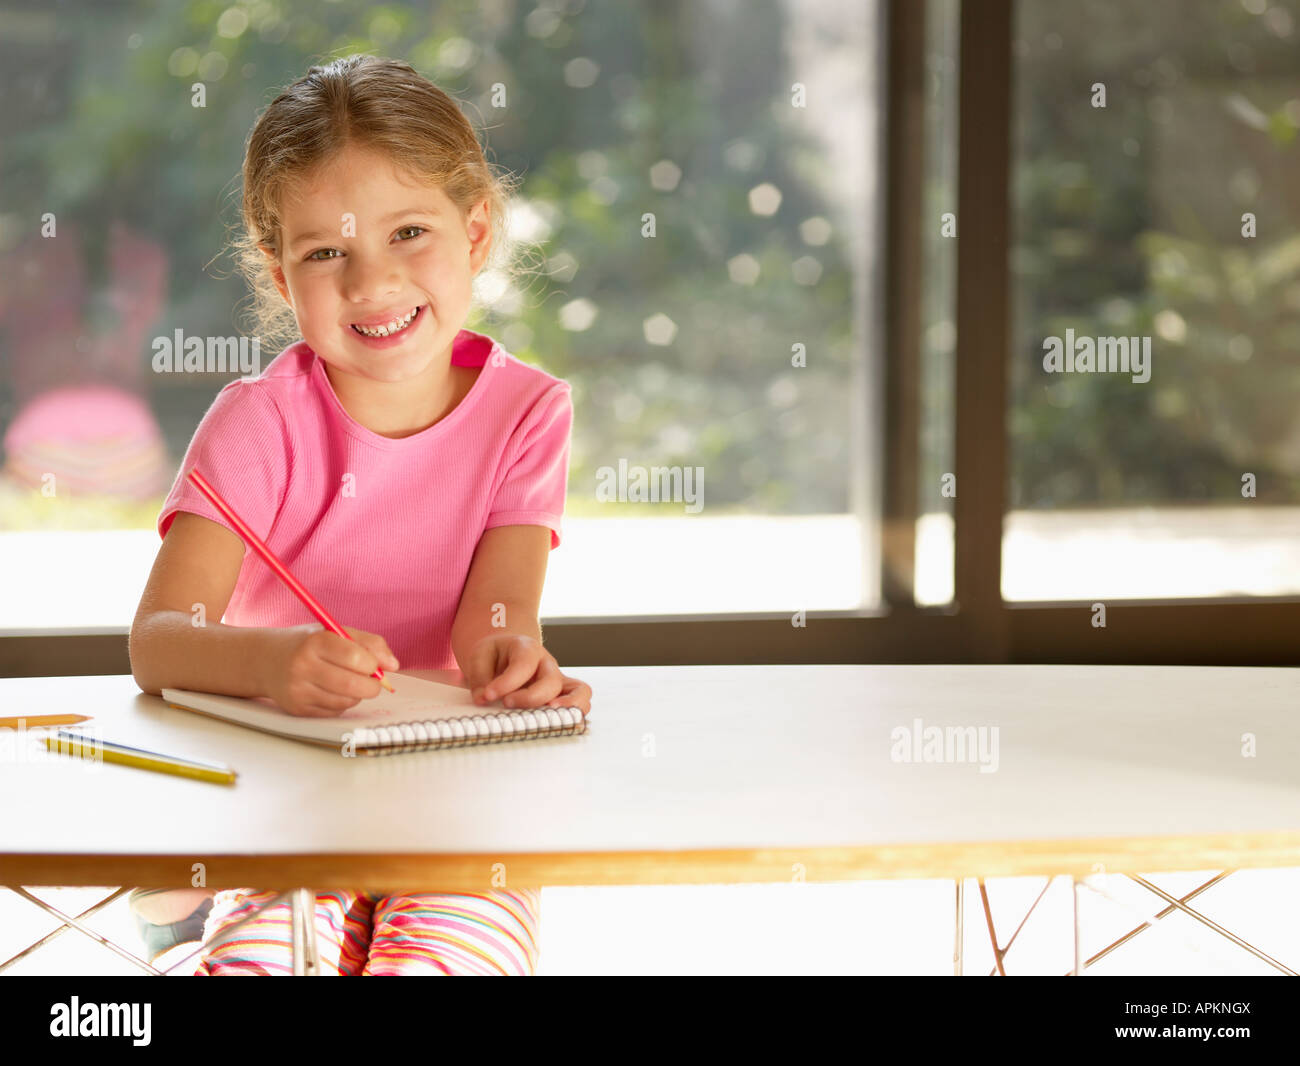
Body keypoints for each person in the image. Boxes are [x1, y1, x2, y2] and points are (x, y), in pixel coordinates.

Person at [128, 54, 592, 976]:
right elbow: (159, 640)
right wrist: (273, 663)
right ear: (278, 269)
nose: (371, 283)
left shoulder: (527, 411)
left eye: (409, 232)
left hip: (453, 800)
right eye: (326, 252)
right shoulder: (256, 424)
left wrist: (515, 667)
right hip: (287, 795)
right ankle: (185, 918)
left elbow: (492, 627)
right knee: (265, 963)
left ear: (477, 230)